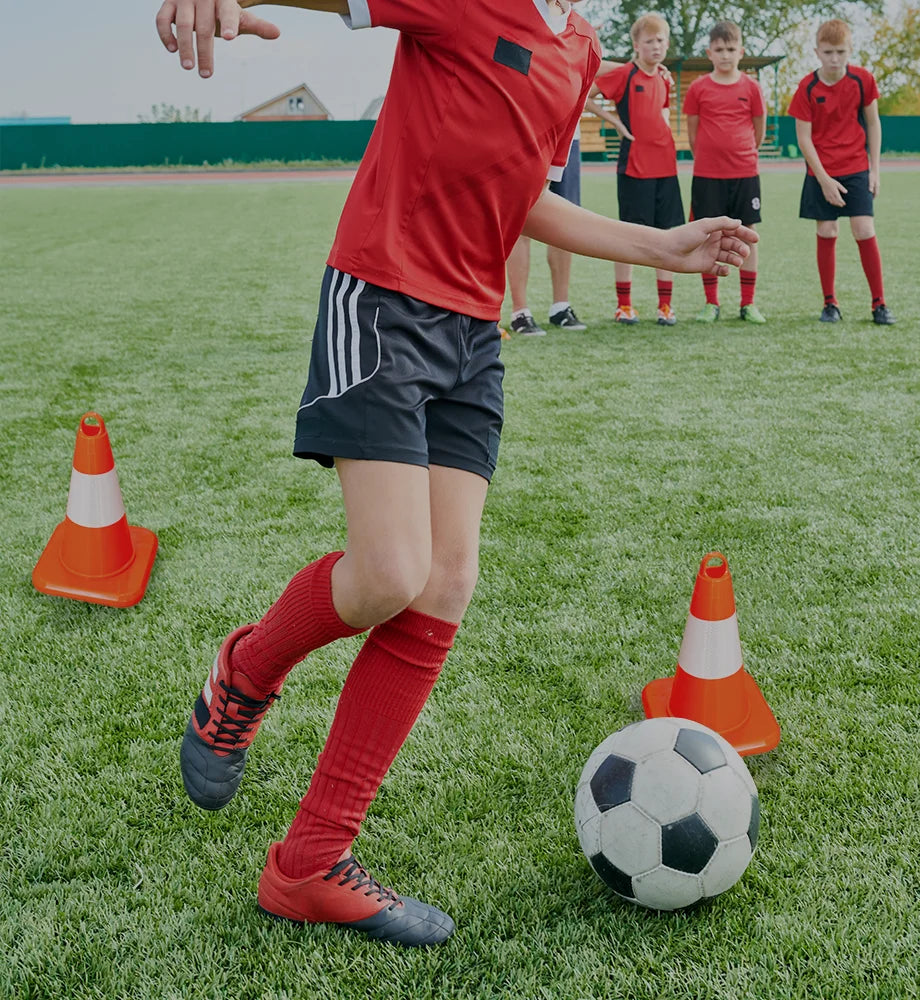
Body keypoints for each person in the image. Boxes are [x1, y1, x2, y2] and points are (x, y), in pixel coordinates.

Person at [155, 0, 756, 948]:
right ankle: (243, 673)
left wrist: (657, 245)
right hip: (384, 297)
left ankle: (311, 860)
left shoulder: (579, 45)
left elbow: (516, 194)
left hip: (473, 335)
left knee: (443, 583)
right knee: (389, 570)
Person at [788, 18, 896, 325]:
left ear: (850, 50)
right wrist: (823, 180)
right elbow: (803, 138)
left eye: (840, 52)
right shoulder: (807, 87)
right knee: (827, 230)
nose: (834, 59)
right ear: (816, 52)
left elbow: (874, 123)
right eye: (828, 52)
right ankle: (830, 304)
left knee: (864, 229)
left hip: (856, 168)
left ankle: (879, 304)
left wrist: (875, 170)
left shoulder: (863, 80)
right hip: (820, 171)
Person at [589, 13, 683, 326]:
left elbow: (662, 116)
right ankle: (625, 305)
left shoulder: (665, 78)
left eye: (660, 41)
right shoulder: (625, 74)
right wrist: (615, 121)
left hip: (666, 168)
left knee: (668, 237)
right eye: (649, 42)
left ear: (666, 44)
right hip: (634, 168)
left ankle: (665, 305)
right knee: (628, 238)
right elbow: (585, 96)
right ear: (636, 45)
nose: (655, 47)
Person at [683, 20, 766, 324]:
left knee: (749, 235)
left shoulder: (752, 88)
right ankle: (711, 302)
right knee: (708, 237)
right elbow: (693, 134)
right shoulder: (698, 88)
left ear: (741, 51)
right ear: (709, 52)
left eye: (731, 49)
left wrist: (741, 153)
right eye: (719, 49)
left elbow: (758, 130)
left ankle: (748, 303)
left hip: (745, 173)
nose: (726, 55)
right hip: (707, 176)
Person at [507, 128, 587, 335]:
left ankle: (560, 307)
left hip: (567, 136)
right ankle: (520, 311)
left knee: (565, 223)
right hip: (526, 132)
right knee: (521, 220)